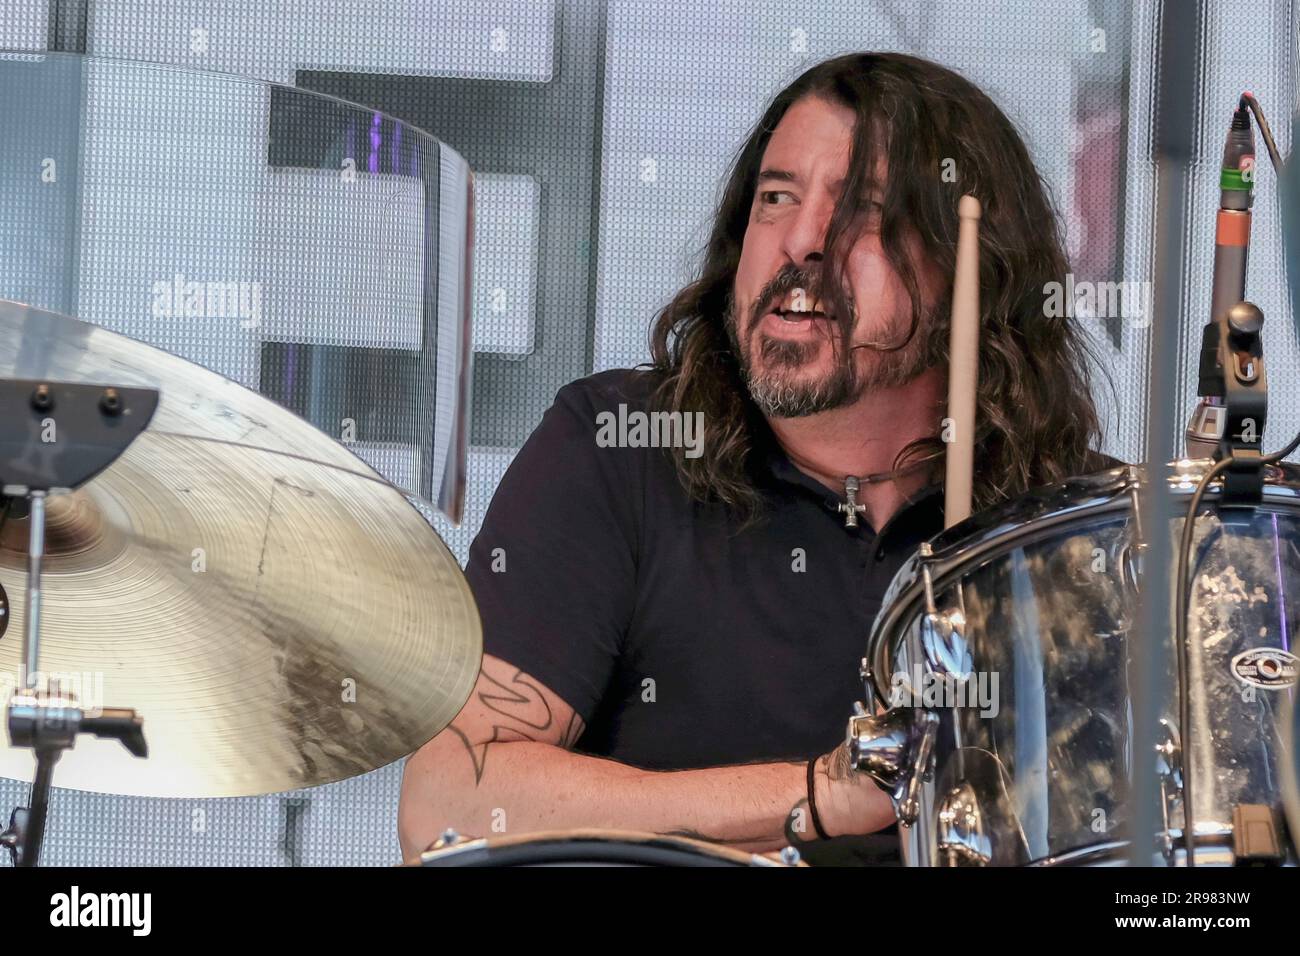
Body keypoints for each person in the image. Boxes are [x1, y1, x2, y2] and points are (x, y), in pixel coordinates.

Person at [398, 51, 1114, 863]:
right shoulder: (623, 446)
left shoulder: (1074, 527)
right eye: (775, 199)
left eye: (864, 210)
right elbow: (448, 802)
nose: (801, 241)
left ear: (971, 271)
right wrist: (817, 793)